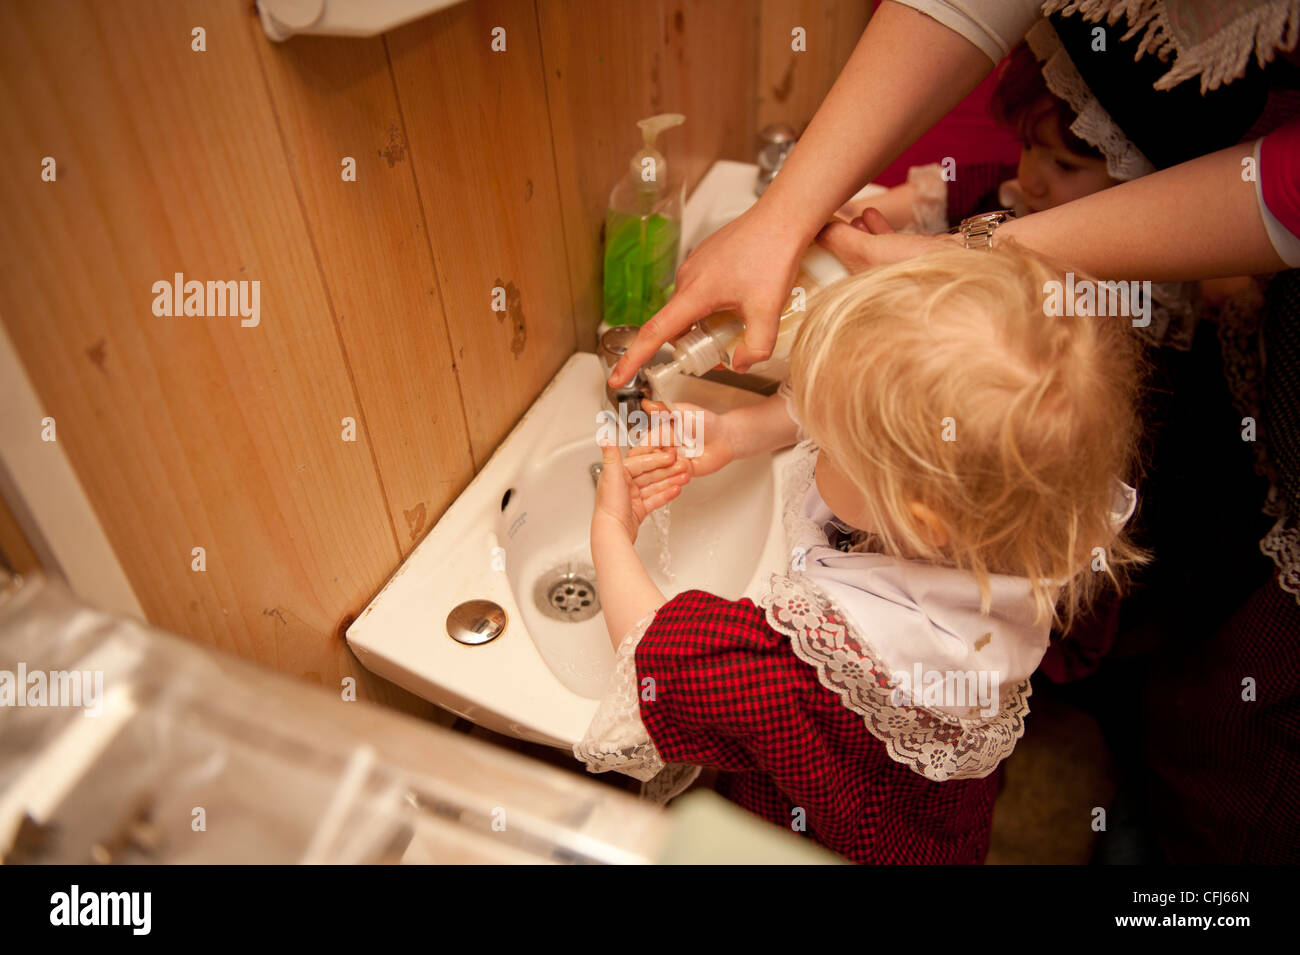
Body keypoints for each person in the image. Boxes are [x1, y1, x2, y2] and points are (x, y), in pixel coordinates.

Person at [575, 245, 1144, 863]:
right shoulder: (1024, 512)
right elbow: (866, 413)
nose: (815, 440)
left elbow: (662, 658)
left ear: (917, 517)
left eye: (832, 444)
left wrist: (610, 528)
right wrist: (739, 432)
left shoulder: (830, 663)